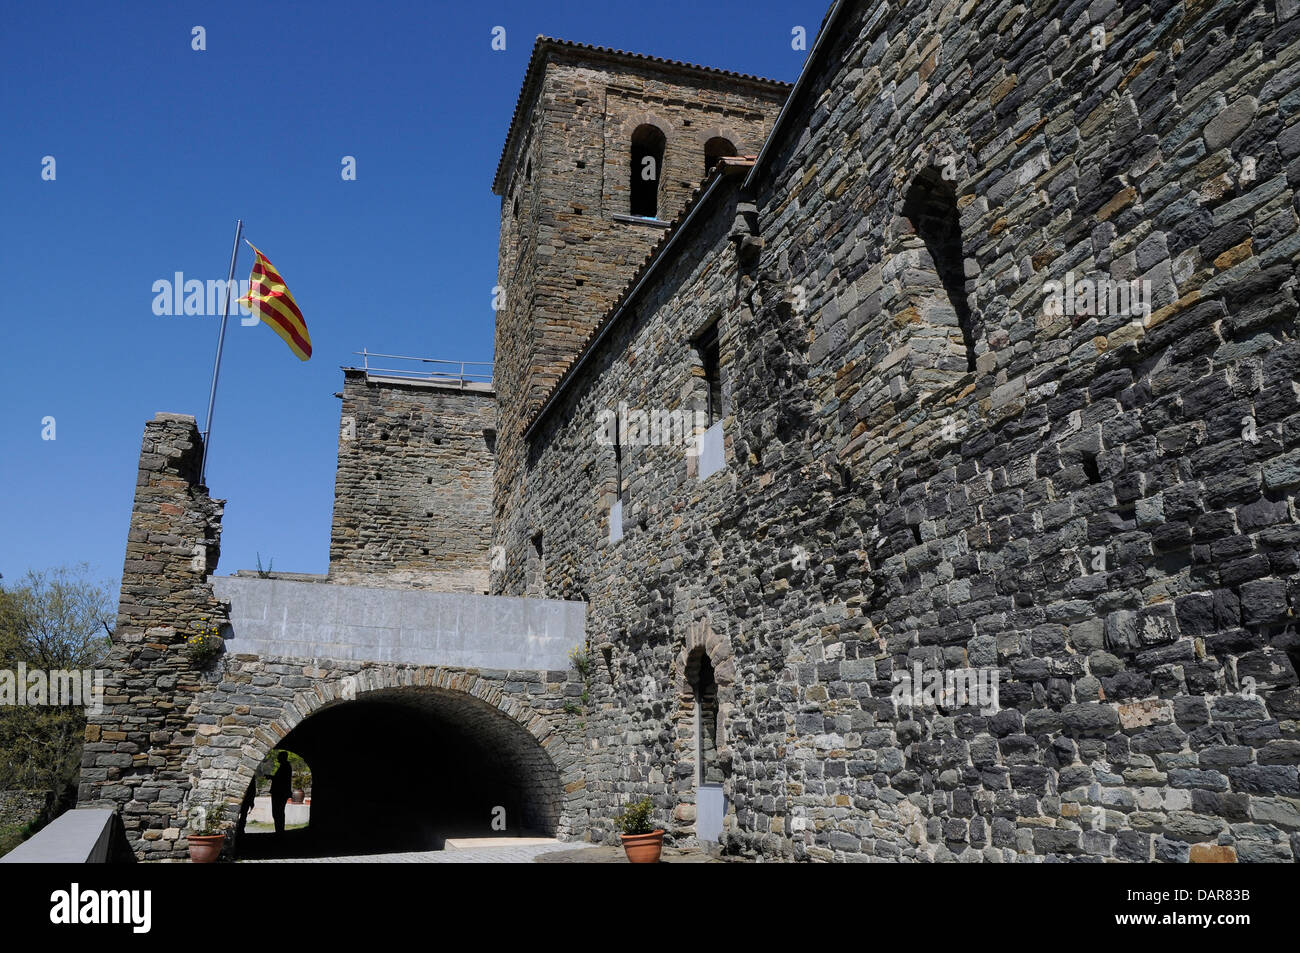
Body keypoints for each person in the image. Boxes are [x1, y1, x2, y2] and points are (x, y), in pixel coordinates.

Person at [270, 751, 291, 835]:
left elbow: (281, 780)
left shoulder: (285, 767)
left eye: (279, 756)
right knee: (278, 812)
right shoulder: (285, 766)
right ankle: (279, 831)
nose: (277, 758)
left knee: (278, 812)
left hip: (280, 793)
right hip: (280, 793)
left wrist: (271, 777)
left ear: (282, 757)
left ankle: (279, 831)